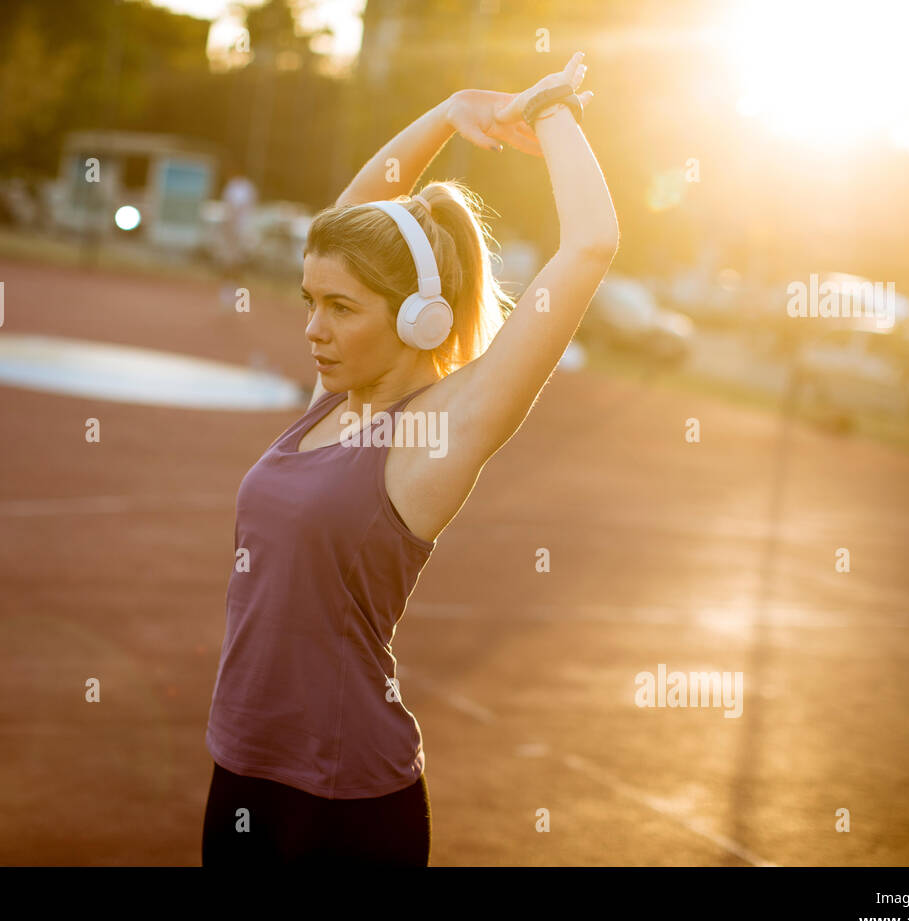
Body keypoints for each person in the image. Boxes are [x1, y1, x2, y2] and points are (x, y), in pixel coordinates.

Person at [201, 52, 615, 866]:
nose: (313, 327)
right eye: (310, 302)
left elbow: (591, 246)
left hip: (341, 802)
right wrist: (451, 110)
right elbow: (351, 223)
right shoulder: (336, 396)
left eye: (341, 309)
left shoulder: (441, 429)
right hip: (241, 770)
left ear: (419, 320)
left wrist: (549, 109)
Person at [217, 164, 258, 311]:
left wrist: (229, 228)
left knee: (231, 264)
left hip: (235, 231)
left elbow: (234, 209)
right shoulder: (247, 187)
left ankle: (230, 298)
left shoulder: (236, 187)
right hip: (242, 231)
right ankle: (238, 301)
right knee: (236, 264)